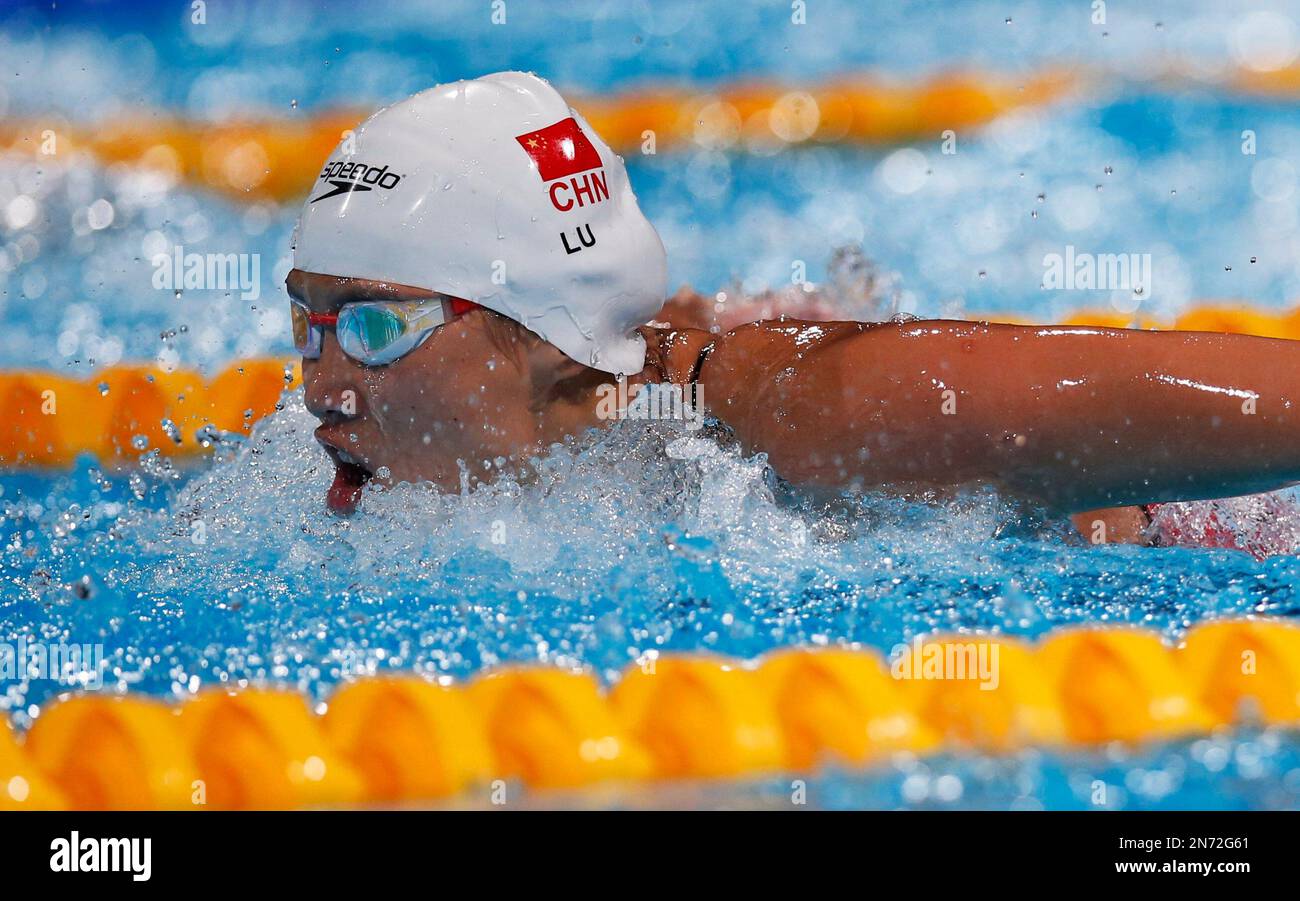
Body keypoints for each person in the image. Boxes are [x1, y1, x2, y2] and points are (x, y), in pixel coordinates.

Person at [287, 71, 1300, 547]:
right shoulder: (590, 426)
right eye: (307, 326)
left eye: (376, 326)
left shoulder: (810, 415)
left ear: (547, 339)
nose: (319, 388)